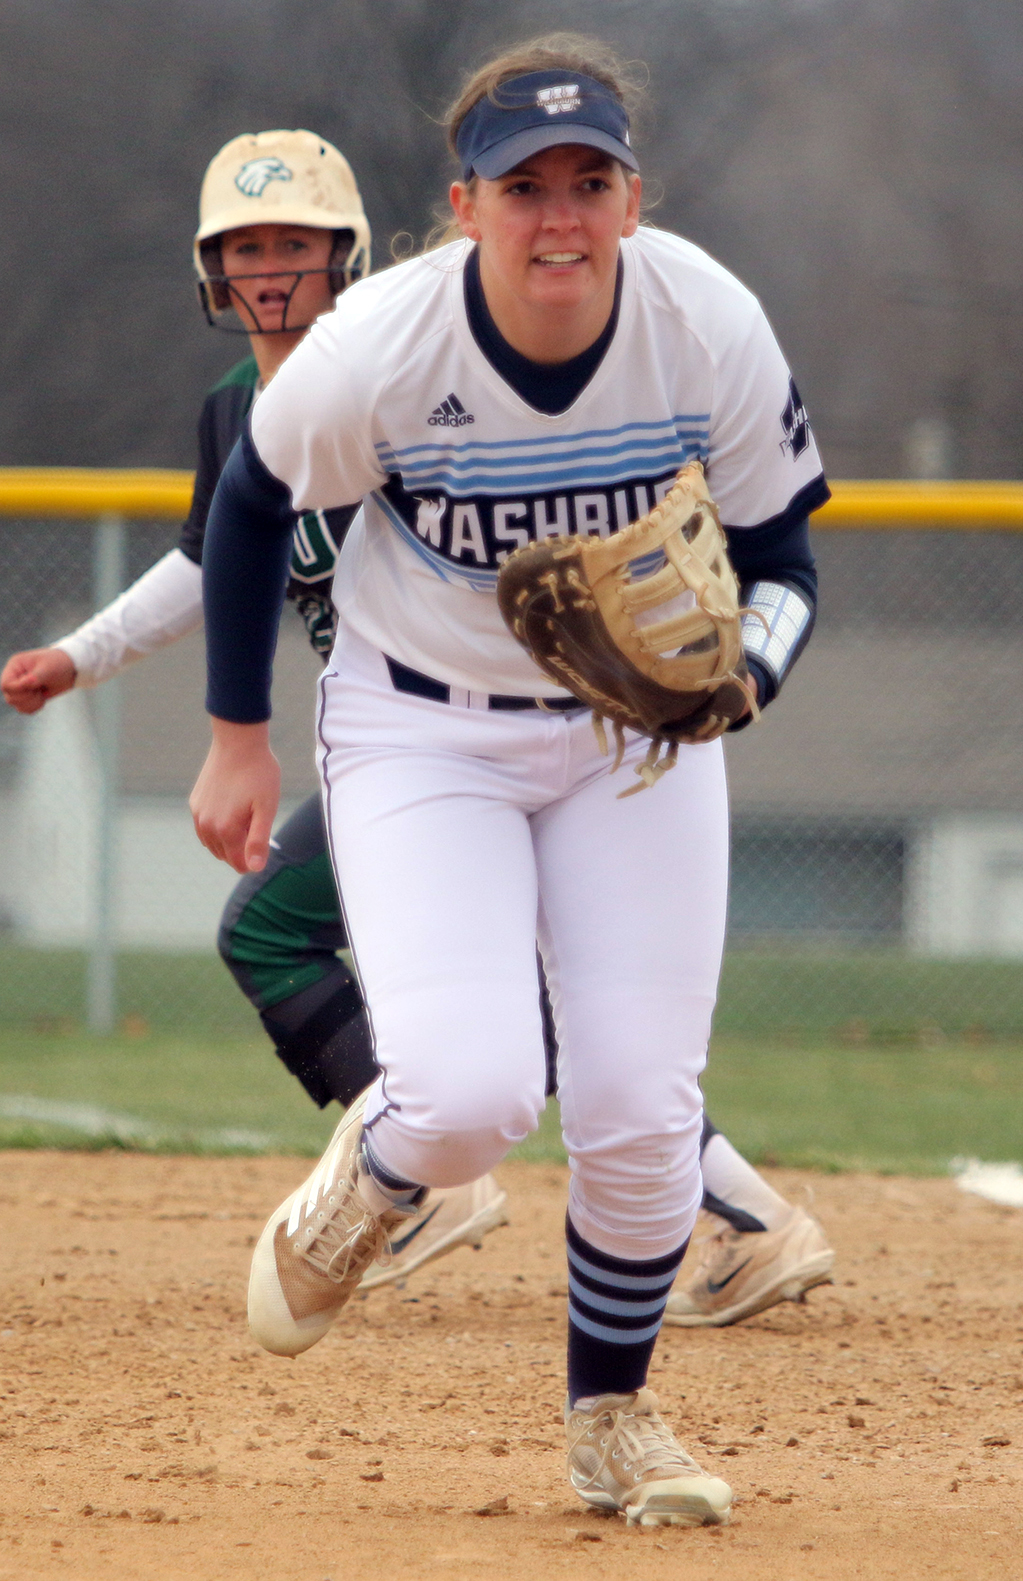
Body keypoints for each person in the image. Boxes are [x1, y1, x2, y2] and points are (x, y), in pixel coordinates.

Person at [2, 123, 832, 1324]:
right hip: (408, 744)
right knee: (523, 1013)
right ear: (207, 270)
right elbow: (210, 559)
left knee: (406, 973)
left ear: (347, 257)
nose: (268, 269)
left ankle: (441, 1188)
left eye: (294, 242)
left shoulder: (391, 361)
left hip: (525, 730)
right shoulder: (242, 411)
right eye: (242, 247)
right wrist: (83, 658)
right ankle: (735, 1213)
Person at [190, 35, 833, 1526]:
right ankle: (382, 1164)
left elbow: (786, 558)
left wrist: (745, 674)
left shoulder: (704, 322)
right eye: (521, 186)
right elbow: (246, 506)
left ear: (629, 197)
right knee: (475, 1090)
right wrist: (236, 734)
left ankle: (610, 1417)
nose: (559, 216)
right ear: (465, 207)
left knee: (636, 1109)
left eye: (588, 183)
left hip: (636, 743)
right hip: (424, 728)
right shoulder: (391, 345)